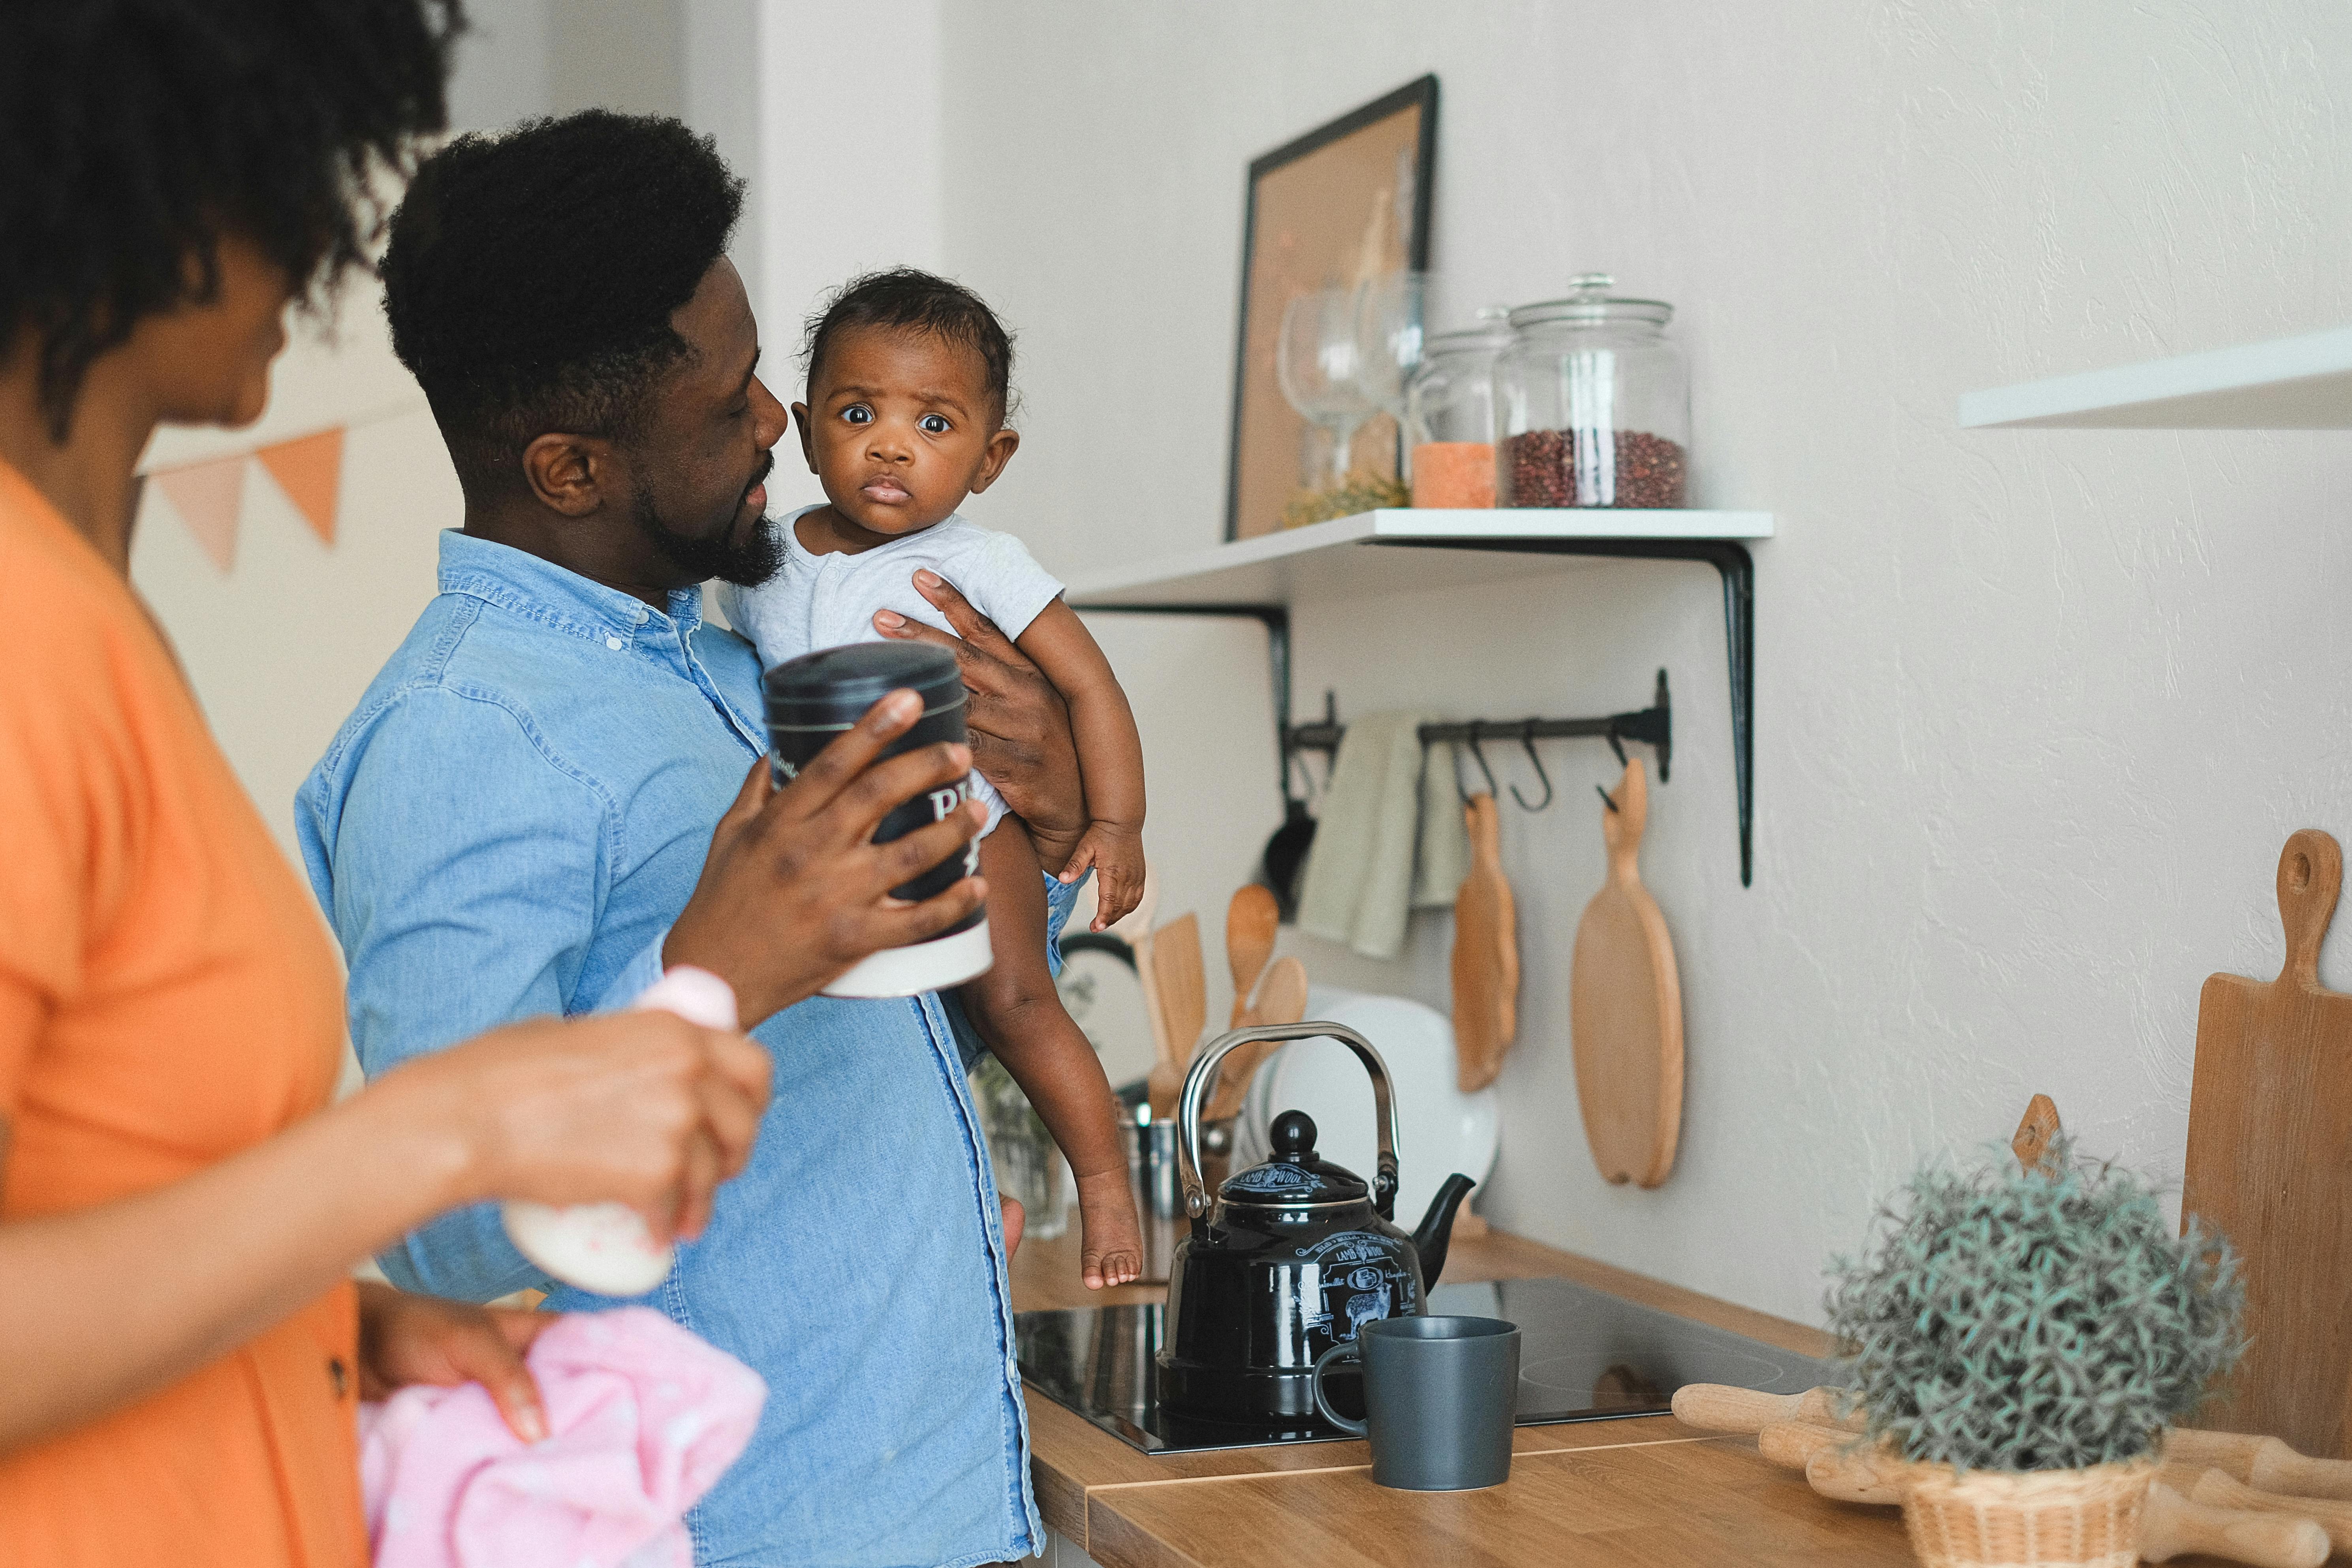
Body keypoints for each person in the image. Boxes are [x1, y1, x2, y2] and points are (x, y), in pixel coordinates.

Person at [0, 4, 989, 1562]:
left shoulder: (726, 657)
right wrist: (498, 1102)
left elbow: (104, 1194)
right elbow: (461, 1216)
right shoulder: (431, 727)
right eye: (289, 181)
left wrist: (341, 1322)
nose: (317, 251)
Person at [297, 112, 1096, 1568]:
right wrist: (712, 973)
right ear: (569, 468)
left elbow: (876, 1046)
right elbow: (442, 1233)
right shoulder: (459, 736)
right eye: (731, 401)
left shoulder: (736, 661)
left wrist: (1031, 836)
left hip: (937, 1505)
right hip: (754, 1535)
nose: (782, 428)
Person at [720, 269, 1148, 1288]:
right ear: (808, 423)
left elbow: (1089, 686)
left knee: (1013, 996)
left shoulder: (981, 559)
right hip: (831, 833)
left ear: (989, 458)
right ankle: (941, 1201)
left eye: (936, 423)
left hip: (968, 810)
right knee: (848, 1032)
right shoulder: (759, 559)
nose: (890, 444)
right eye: (858, 412)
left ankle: (1103, 1186)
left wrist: (1118, 823)